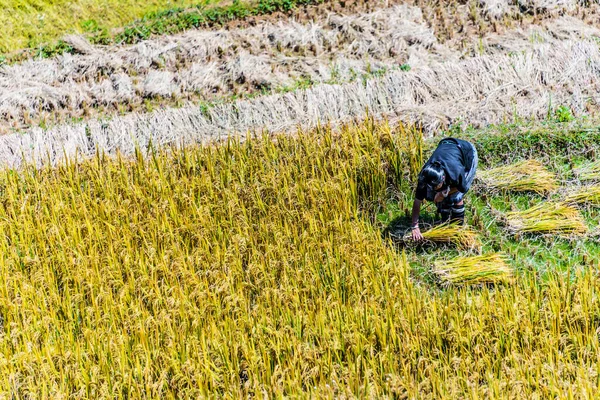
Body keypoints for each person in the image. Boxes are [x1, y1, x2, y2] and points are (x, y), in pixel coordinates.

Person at [411, 137, 478, 241]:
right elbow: (417, 201)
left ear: (443, 178)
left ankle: (457, 229)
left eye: (437, 186)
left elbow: (461, 188)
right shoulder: (425, 177)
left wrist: (443, 193)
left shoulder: (455, 172)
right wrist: (415, 226)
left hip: (467, 152)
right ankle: (445, 220)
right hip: (447, 147)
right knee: (433, 195)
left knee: (455, 196)